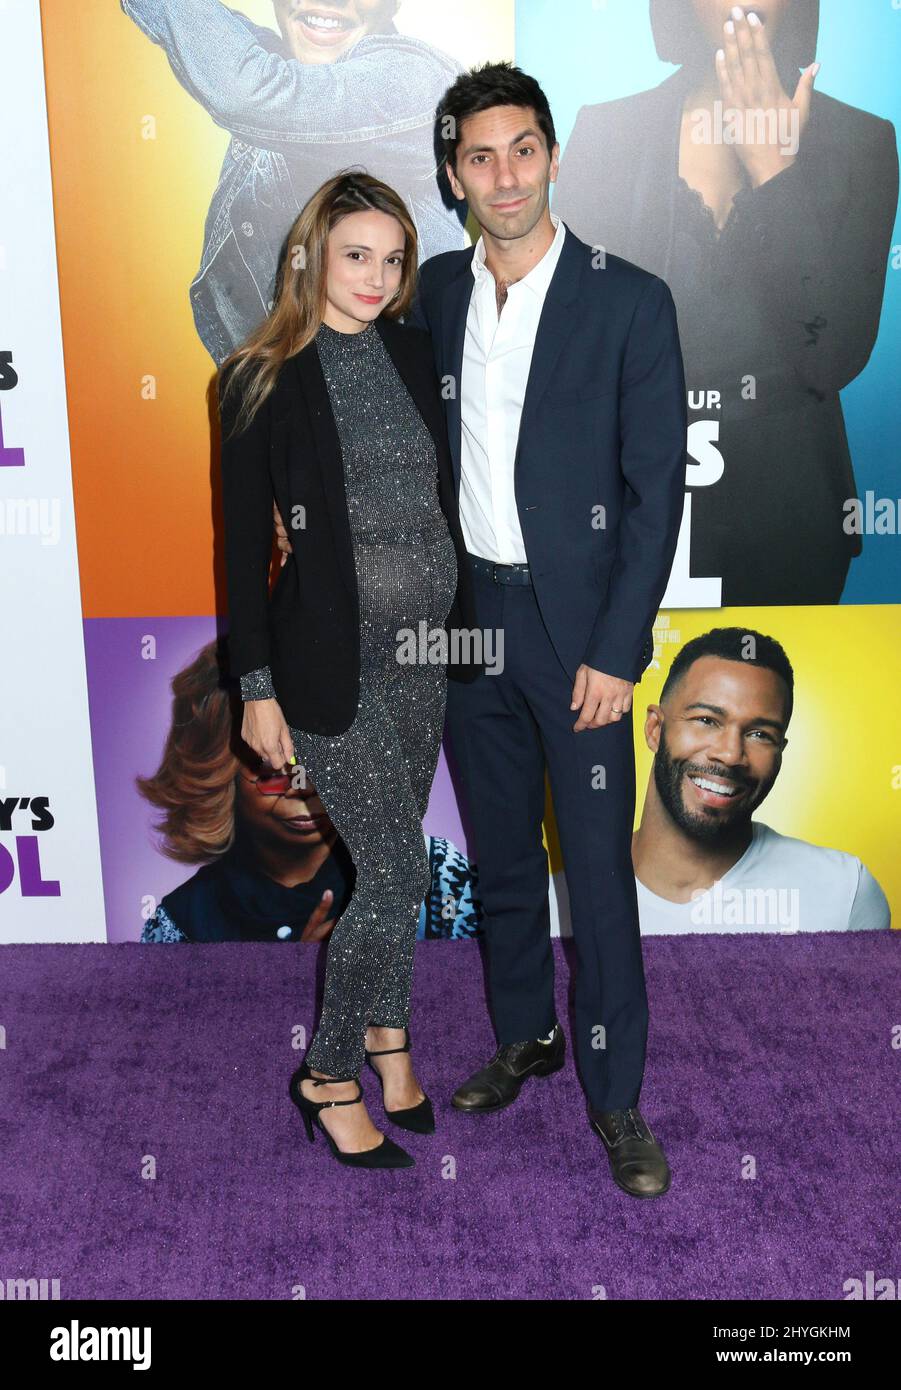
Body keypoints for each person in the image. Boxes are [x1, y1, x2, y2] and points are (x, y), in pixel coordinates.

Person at [276, 63, 687, 1196]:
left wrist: (617, 649)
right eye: (476, 156)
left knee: (594, 874)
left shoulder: (628, 299)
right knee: (502, 852)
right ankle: (523, 1037)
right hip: (464, 627)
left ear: (554, 155)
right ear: (452, 176)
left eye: (521, 149)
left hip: (578, 635)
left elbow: (656, 495)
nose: (501, 174)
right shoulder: (434, 295)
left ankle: (616, 1098)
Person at [217, 169, 479, 1169]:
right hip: (330, 669)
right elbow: (241, 552)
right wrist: (255, 690)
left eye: (393, 257)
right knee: (402, 871)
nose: (376, 277)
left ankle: (389, 1036)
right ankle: (327, 1074)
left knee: (391, 857)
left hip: (425, 657)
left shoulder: (416, 354)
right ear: (312, 256)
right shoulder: (258, 376)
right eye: (355, 254)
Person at [552, 0, 898, 605]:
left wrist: (775, 171)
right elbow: (578, 345)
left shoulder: (863, 140)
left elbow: (834, 354)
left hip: (789, 517)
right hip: (624, 499)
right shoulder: (606, 130)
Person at [120, 0, 467, 363]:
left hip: (389, 408)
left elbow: (247, 90)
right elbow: (205, 37)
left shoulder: (414, 81)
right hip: (293, 402)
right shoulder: (285, 63)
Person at [631, 626, 892, 934]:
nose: (730, 754)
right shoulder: (566, 893)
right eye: (706, 720)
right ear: (654, 729)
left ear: (780, 751)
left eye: (760, 734)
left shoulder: (843, 892)